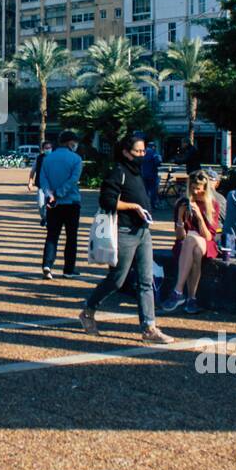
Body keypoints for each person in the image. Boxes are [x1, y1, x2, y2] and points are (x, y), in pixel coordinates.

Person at [79, 134, 174, 345]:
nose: (142, 155)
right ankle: (88, 310)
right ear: (125, 152)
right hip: (124, 231)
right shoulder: (118, 172)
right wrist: (133, 207)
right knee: (117, 279)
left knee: (146, 280)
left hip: (142, 232)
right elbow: (106, 200)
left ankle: (149, 327)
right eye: (138, 151)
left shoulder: (136, 172)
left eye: (144, 151)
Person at [161, 170, 218, 315]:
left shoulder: (212, 204)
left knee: (192, 240)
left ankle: (178, 290)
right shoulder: (181, 203)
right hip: (187, 244)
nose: (196, 191)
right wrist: (180, 217)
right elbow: (180, 236)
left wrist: (199, 217)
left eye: (199, 188)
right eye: (193, 188)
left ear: (205, 188)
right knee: (195, 252)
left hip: (206, 241)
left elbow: (209, 236)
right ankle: (191, 299)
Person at [39, 131, 83, 279]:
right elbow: (73, 180)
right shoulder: (76, 159)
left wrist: (50, 194)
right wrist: (60, 192)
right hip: (71, 202)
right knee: (71, 236)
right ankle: (68, 269)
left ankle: (47, 264)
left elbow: (43, 179)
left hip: (53, 203)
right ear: (70, 142)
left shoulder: (48, 158)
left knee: (52, 235)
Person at [141, 140, 163, 210]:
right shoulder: (154, 153)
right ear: (153, 147)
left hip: (143, 174)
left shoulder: (143, 152)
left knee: (145, 190)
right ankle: (153, 204)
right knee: (153, 190)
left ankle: (145, 204)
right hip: (152, 174)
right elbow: (158, 162)